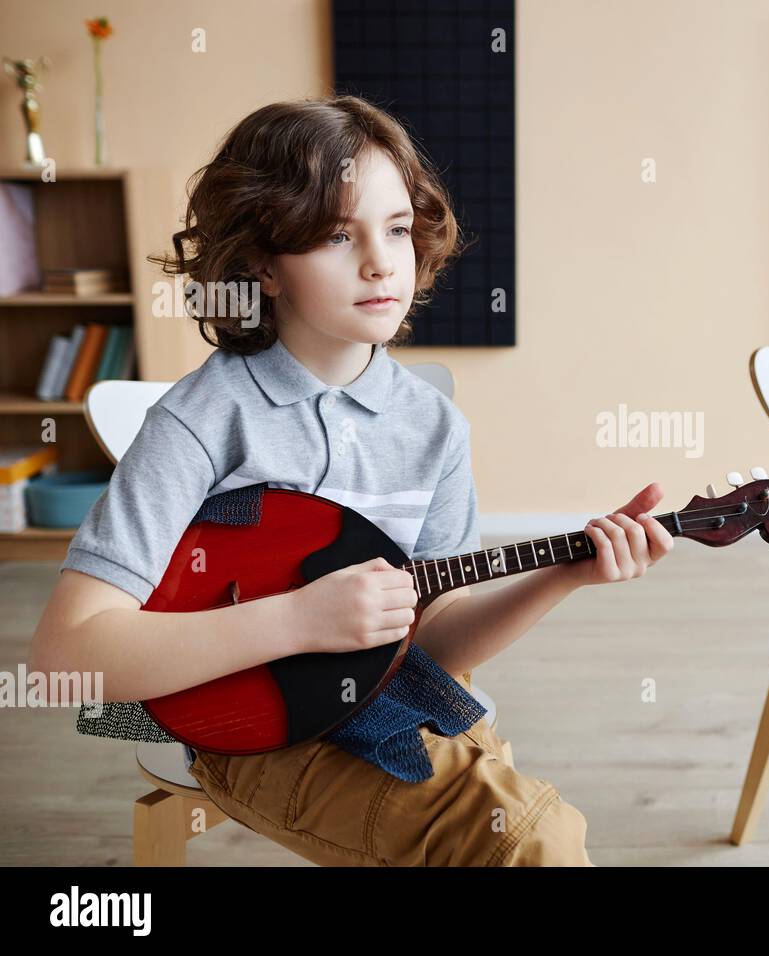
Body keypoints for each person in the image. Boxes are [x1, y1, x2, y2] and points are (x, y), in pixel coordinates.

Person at [30, 95, 673, 866]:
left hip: (397, 697)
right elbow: (63, 660)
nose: (381, 261)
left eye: (397, 229)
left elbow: (435, 636)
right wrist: (300, 621)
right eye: (339, 234)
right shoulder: (203, 421)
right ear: (261, 262)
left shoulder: (432, 427)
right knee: (527, 841)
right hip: (248, 730)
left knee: (533, 832)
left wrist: (559, 576)